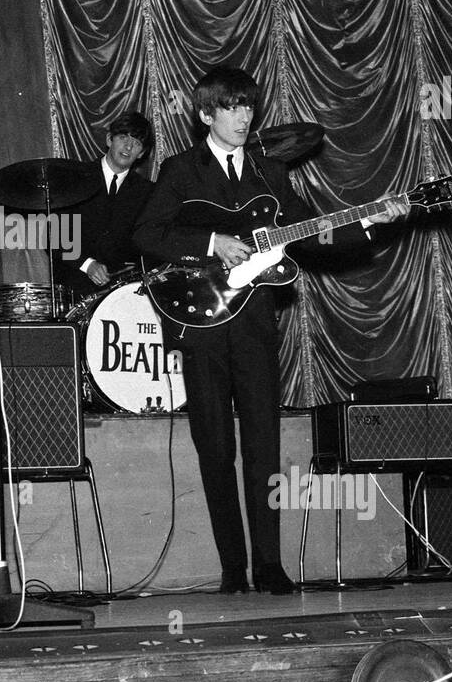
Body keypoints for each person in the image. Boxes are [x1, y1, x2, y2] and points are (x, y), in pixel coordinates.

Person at [134, 67, 405, 595]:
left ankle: (269, 566)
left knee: (264, 444)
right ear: (205, 114)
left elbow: (316, 234)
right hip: (202, 322)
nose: (243, 117)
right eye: (232, 108)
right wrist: (212, 241)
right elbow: (146, 234)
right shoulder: (179, 171)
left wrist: (375, 220)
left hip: (256, 322)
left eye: (249, 108)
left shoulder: (269, 174)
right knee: (215, 447)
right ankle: (233, 569)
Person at [65, 111, 155, 296]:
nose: (128, 146)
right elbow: (54, 235)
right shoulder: (75, 178)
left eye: (137, 143)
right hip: (72, 289)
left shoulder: (148, 192)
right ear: (109, 139)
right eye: (123, 137)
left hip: (123, 295)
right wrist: (87, 264)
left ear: (142, 153)